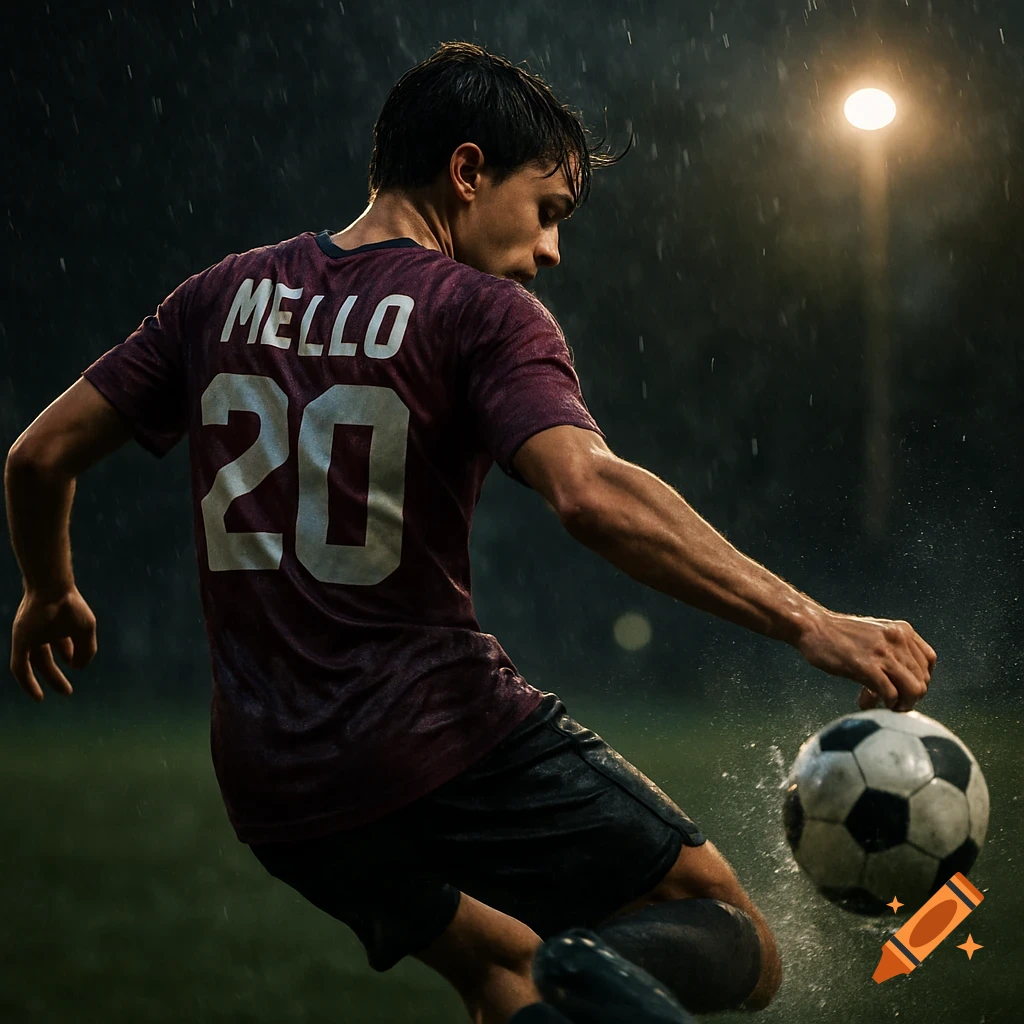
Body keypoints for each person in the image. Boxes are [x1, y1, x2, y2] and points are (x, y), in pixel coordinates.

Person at [5, 41, 935, 1024]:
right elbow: (589, 493)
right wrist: (809, 621)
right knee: (729, 936)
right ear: (466, 170)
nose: (551, 250)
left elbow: (36, 457)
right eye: (547, 209)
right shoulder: (479, 312)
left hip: (275, 787)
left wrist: (49, 588)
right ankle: (587, 987)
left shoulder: (219, 294)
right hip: (432, 738)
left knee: (504, 976)